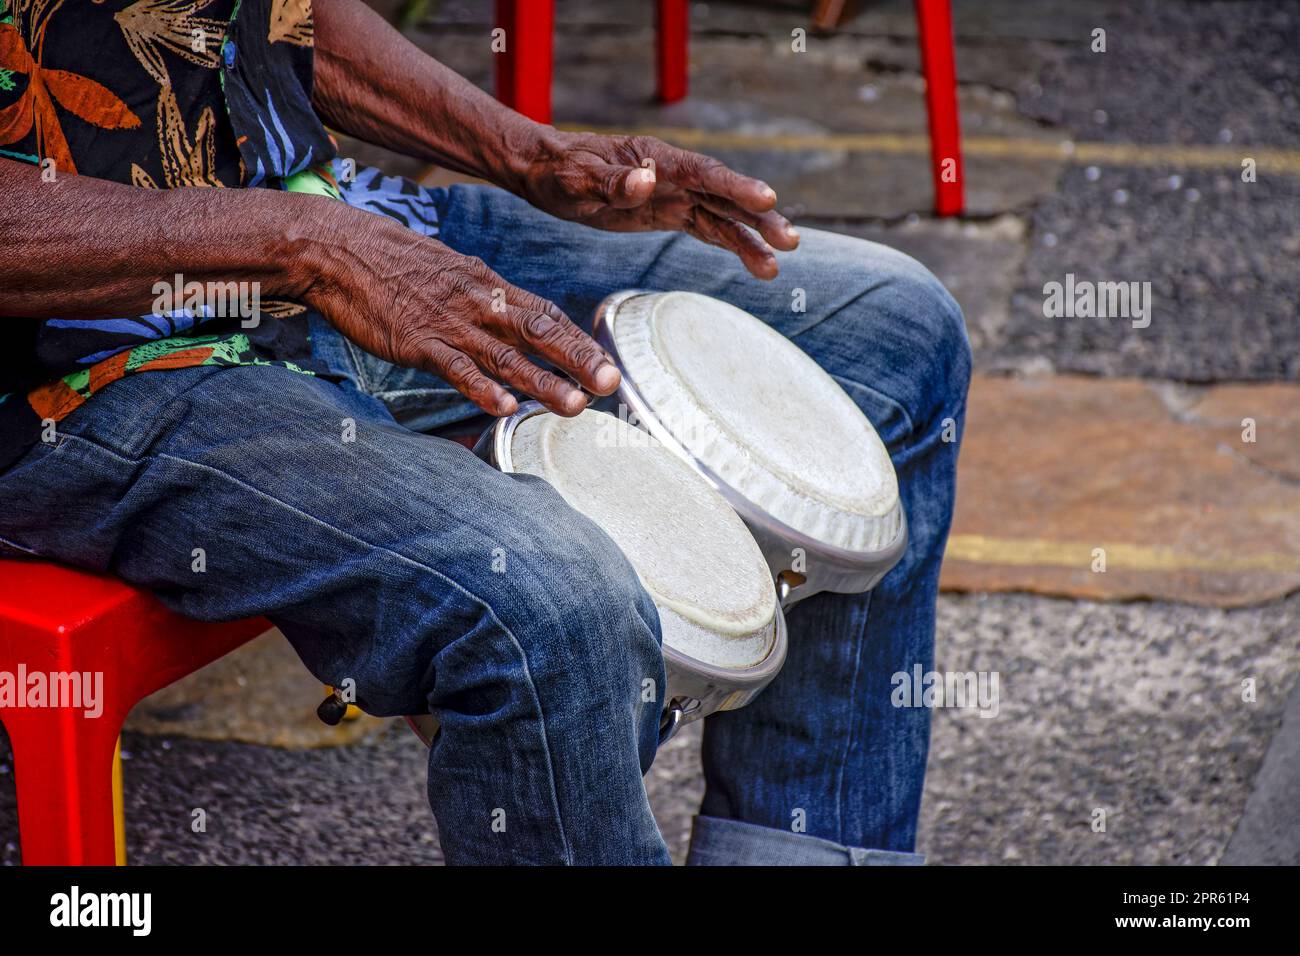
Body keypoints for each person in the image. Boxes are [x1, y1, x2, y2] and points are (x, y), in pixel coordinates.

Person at [0, 0, 970, 864]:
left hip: (330, 217)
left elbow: (266, 17)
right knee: (552, 592)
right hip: (80, 364)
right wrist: (302, 250)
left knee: (891, 332)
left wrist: (522, 152)